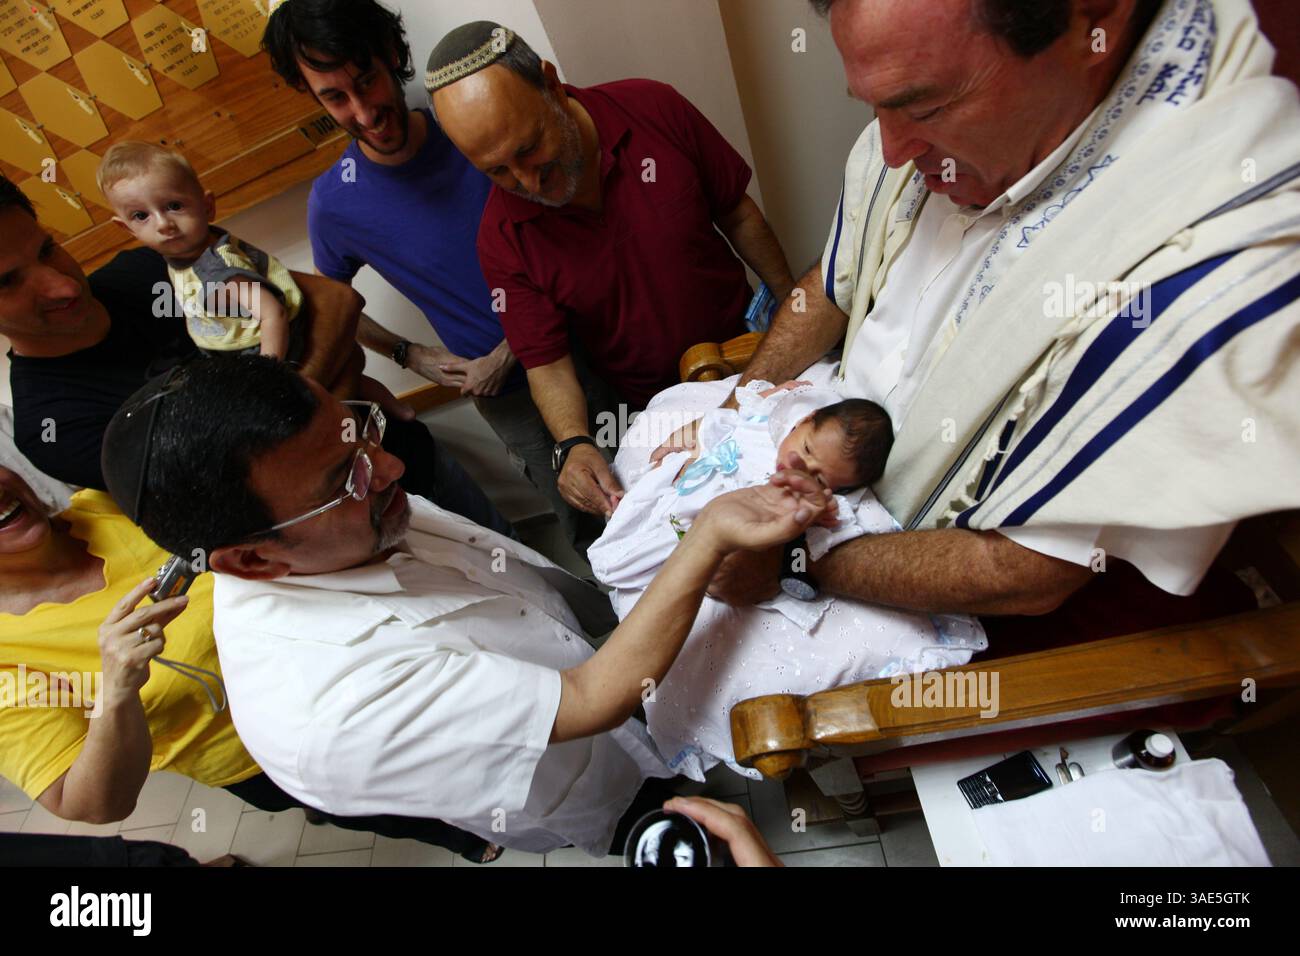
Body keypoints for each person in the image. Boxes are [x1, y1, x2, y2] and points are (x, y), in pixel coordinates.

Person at [658, 0, 1300, 621]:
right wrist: (741, 407)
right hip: (820, 440)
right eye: (877, 106)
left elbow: (1025, 573)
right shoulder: (922, 144)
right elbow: (831, 284)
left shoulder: (1208, 266)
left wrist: (798, 562)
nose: (890, 151)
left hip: (916, 564)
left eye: (924, 106)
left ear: (1095, 17)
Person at [99, 355, 833, 856]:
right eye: (345, 477)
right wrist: (704, 537)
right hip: (590, 766)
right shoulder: (324, 708)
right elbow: (587, 698)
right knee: (671, 810)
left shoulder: (332, 515)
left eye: (362, 433)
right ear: (254, 559)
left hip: (591, 657)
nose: (388, 468)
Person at [0, 463, 502, 862]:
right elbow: (90, 804)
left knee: (453, 749)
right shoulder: (7, 658)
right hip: (269, 757)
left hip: (358, 663)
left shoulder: (104, 503)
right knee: (387, 804)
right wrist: (117, 693)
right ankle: (465, 837)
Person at [262, 0, 601, 553]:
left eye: (367, 82)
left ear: (393, 55)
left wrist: (513, 344)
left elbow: (570, 230)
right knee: (586, 521)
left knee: (655, 472)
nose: (364, 113)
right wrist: (409, 356)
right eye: (334, 98)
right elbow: (336, 308)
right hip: (510, 400)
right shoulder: (334, 201)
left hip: (590, 346)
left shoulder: (472, 128)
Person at [0, 174, 513, 538]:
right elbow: (245, 501)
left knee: (537, 585)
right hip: (352, 547)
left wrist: (296, 408)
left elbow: (336, 301)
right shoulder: (55, 425)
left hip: (411, 461)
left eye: (46, 249)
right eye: (9, 281)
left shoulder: (148, 268)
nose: (61, 284)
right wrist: (333, 380)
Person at [426, 21, 796, 519]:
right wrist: (574, 443)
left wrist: (795, 306)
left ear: (551, 84)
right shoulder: (502, 239)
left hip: (753, 352)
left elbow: (737, 213)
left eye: (529, 149)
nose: (527, 180)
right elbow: (547, 364)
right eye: (497, 171)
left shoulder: (652, 109)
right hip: (657, 408)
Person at [589, 376, 985, 779]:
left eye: (821, 474)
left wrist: (813, 508)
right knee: (634, 543)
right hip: (705, 489)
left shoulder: (812, 494)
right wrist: (699, 435)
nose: (799, 465)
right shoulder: (769, 423)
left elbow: (822, 519)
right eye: (806, 448)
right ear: (803, 422)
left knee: (712, 567)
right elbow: (734, 418)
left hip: (737, 528)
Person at [98, 141, 304, 361]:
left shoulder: (220, 268)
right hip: (227, 340)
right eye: (141, 216)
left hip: (263, 343)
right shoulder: (184, 253)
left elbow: (273, 314)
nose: (163, 224)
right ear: (127, 228)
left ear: (207, 207)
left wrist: (268, 372)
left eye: (174, 206)